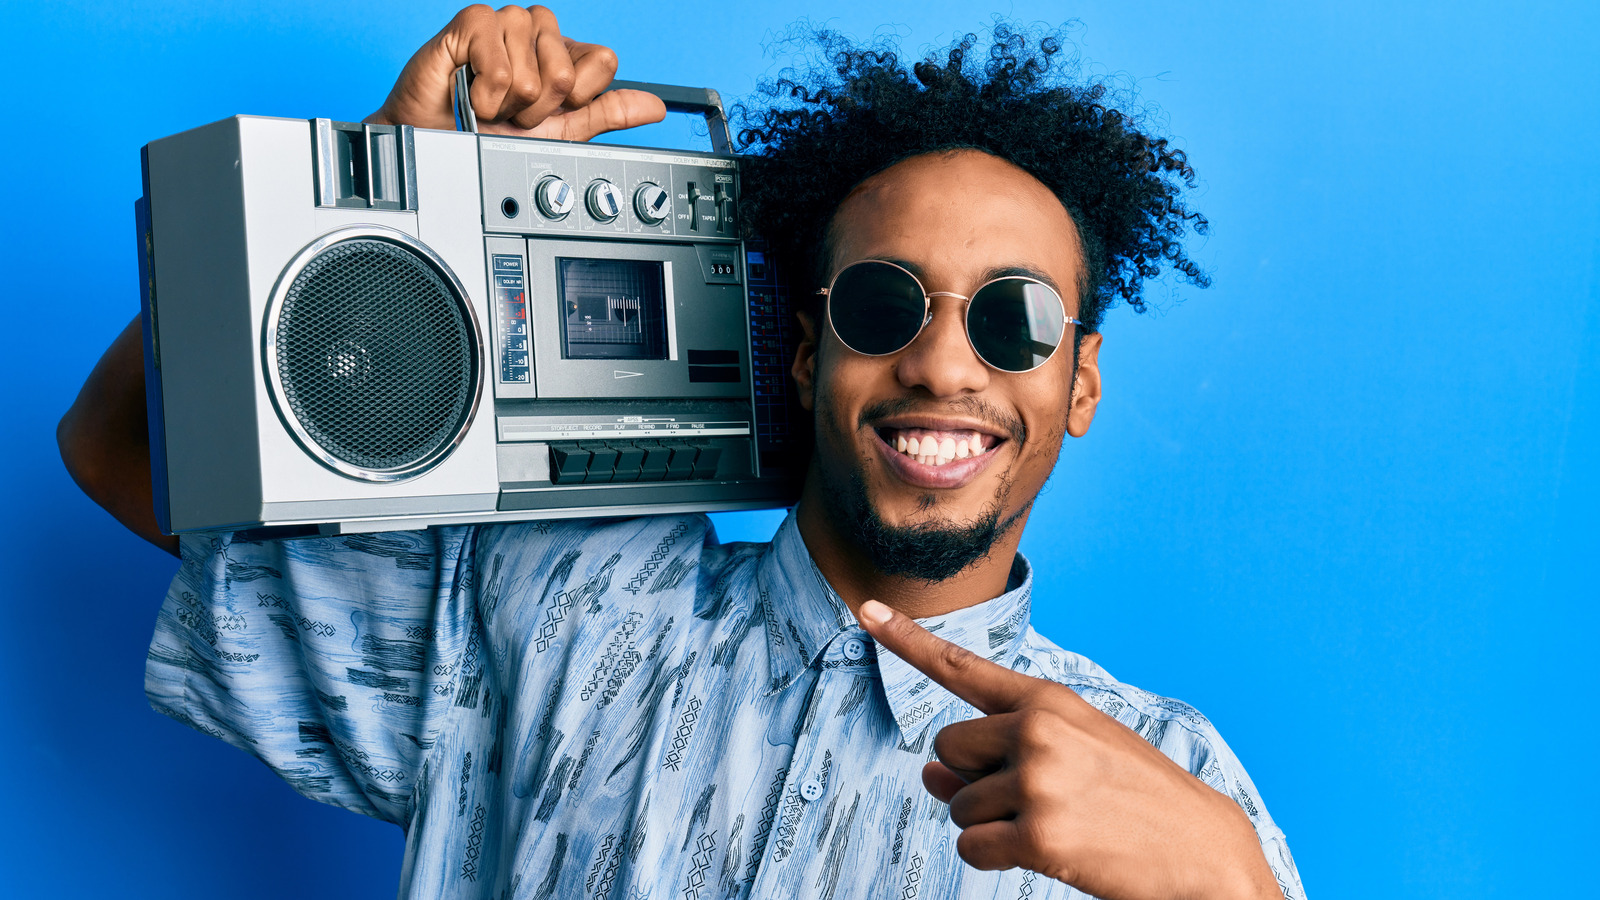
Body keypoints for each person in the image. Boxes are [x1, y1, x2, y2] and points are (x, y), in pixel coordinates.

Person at [58, 6, 1306, 899]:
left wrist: (1230, 895)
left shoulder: (1174, 786)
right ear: (808, 353)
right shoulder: (548, 597)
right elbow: (120, 450)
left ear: (1078, 379)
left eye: (1013, 318)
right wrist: (381, 192)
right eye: (883, 305)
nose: (942, 365)